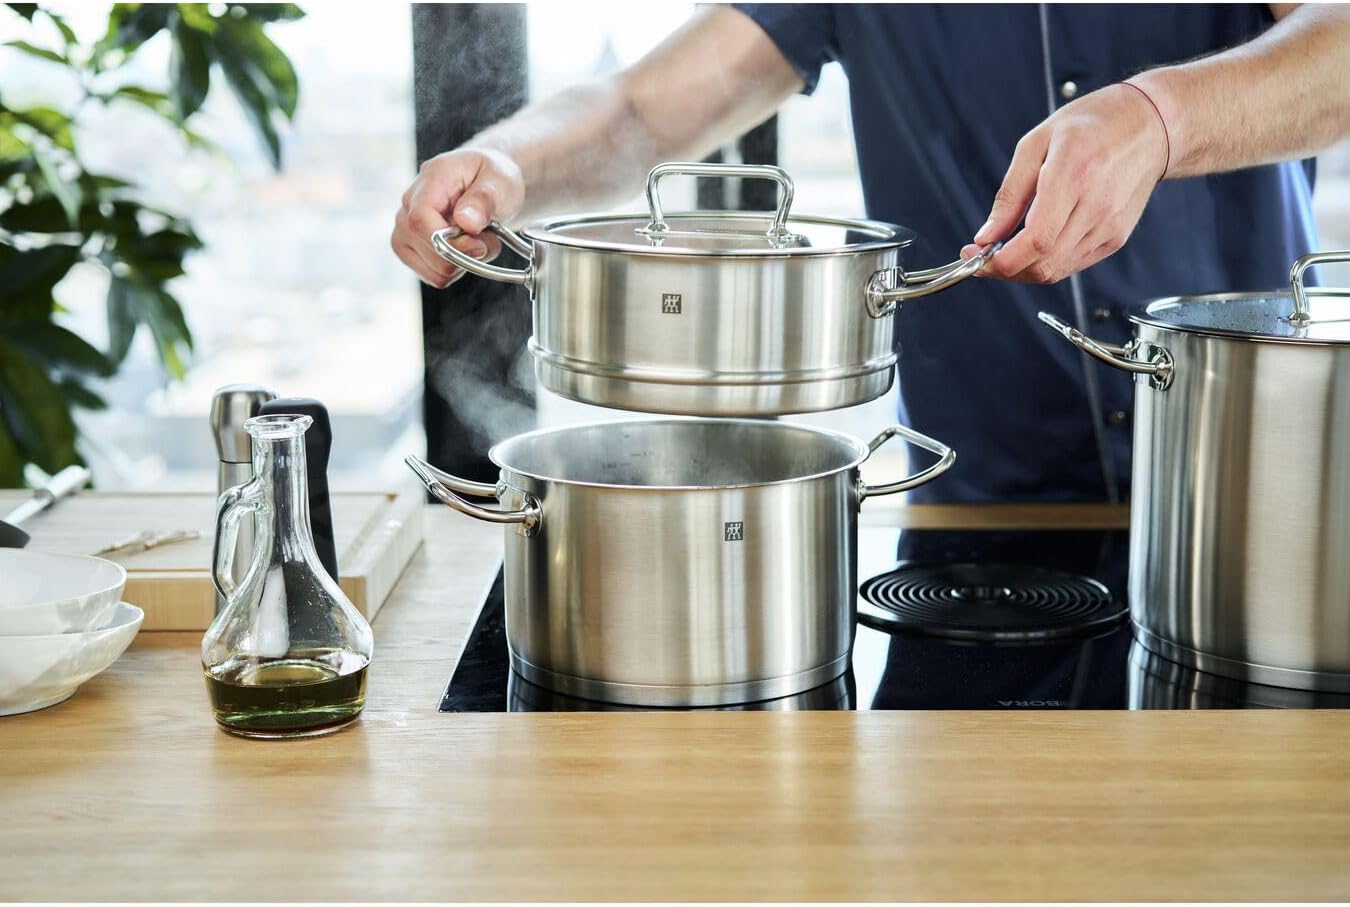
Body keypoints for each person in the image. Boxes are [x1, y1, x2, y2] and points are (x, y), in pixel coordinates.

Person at [391, 4, 1350, 503]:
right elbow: (642, 109)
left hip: (1250, 495)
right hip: (972, 516)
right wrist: (504, 161)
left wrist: (1160, 117)